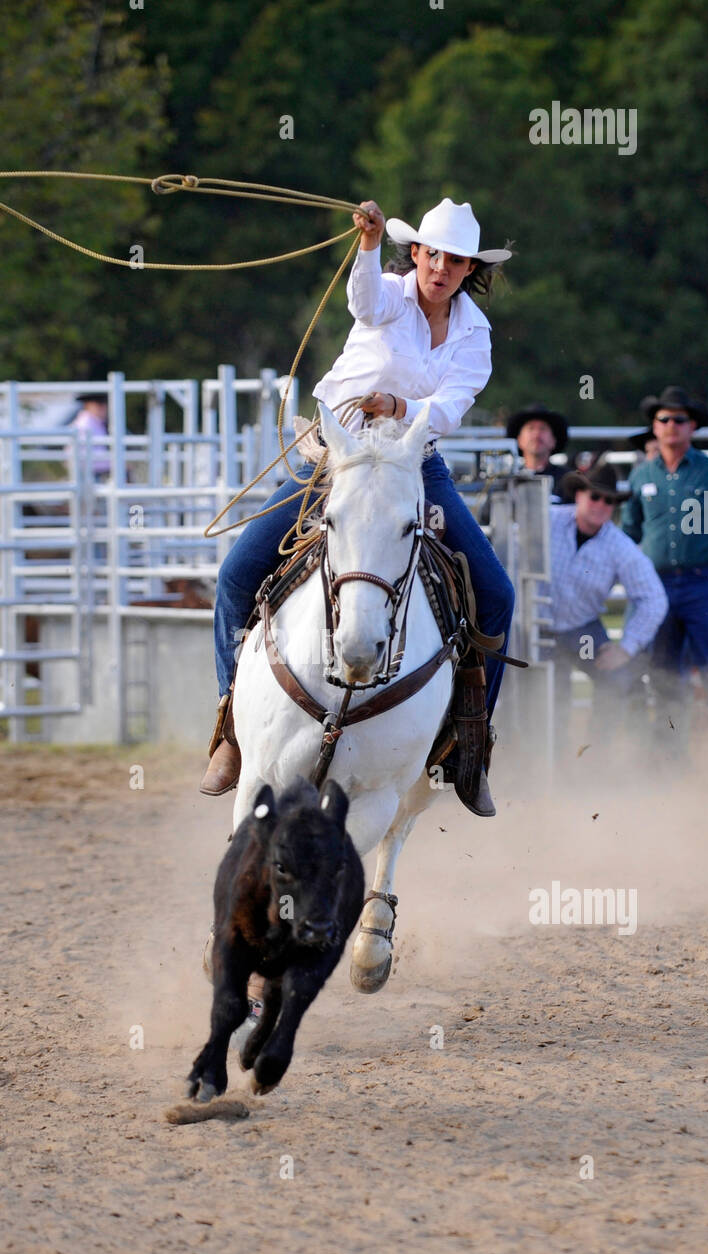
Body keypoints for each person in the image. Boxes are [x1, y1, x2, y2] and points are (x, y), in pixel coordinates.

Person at [201, 196, 515, 816]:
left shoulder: (475, 333)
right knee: (239, 571)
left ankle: (470, 745)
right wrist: (367, 246)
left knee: (497, 593)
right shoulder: (389, 294)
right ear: (416, 254)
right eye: (434, 255)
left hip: (411, 462)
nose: (442, 268)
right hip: (335, 455)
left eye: (456, 260)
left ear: (469, 269)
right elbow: (362, 303)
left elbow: (450, 406)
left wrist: (399, 410)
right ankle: (232, 727)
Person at [542, 462, 668, 739]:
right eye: (595, 496)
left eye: (609, 500)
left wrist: (627, 647)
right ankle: (539, 755)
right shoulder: (547, 520)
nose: (601, 504)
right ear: (579, 495)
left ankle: (598, 753)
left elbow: (654, 598)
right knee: (538, 691)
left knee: (617, 677)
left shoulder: (620, 546)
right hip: (536, 625)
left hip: (581, 631)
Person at [621, 385, 708, 715]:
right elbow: (630, 531)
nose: (672, 425)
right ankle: (670, 757)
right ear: (655, 426)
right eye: (664, 419)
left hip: (703, 582)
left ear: (692, 426)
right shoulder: (641, 476)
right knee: (663, 672)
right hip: (656, 585)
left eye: (680, 419)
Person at [506, 403, 569, 498]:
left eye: (543, 428)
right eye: (531, 428)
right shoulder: (507, 480)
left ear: (553, 441)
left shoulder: (567, 481)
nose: (537, 434)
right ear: (519, 440)